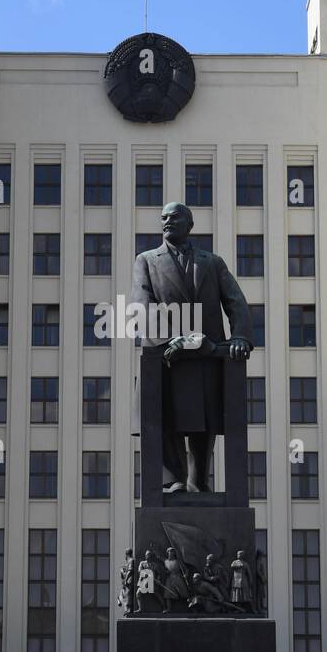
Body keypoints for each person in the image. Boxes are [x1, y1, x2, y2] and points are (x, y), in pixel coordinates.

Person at [130, 202, 253, 493]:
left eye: (174, 217)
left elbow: (236, 301)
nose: (167, 222)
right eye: (163, 218)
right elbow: (141, 304)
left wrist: (240, 337)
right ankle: (173, 480)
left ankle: (199, 481)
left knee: (204, 419)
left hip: (204, 354)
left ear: (189, 224)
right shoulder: (147, 260)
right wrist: (168, 337)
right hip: (166, 356)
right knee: (168, 419)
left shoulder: (212, 262)